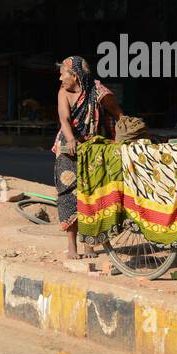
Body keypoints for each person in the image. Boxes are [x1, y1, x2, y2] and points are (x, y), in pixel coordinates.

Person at [53, 56, 122, 261]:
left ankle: (90, 243)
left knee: (91, 196)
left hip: (92, 150)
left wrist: (125, 132)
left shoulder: (97, 91)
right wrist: (72, 139)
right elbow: (64, 119)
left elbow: (117, 112)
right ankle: (71, 246)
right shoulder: (63, 93)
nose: (60, 78)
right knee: (68, 196)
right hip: (68, 150)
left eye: (63, 74)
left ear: (75, 76)